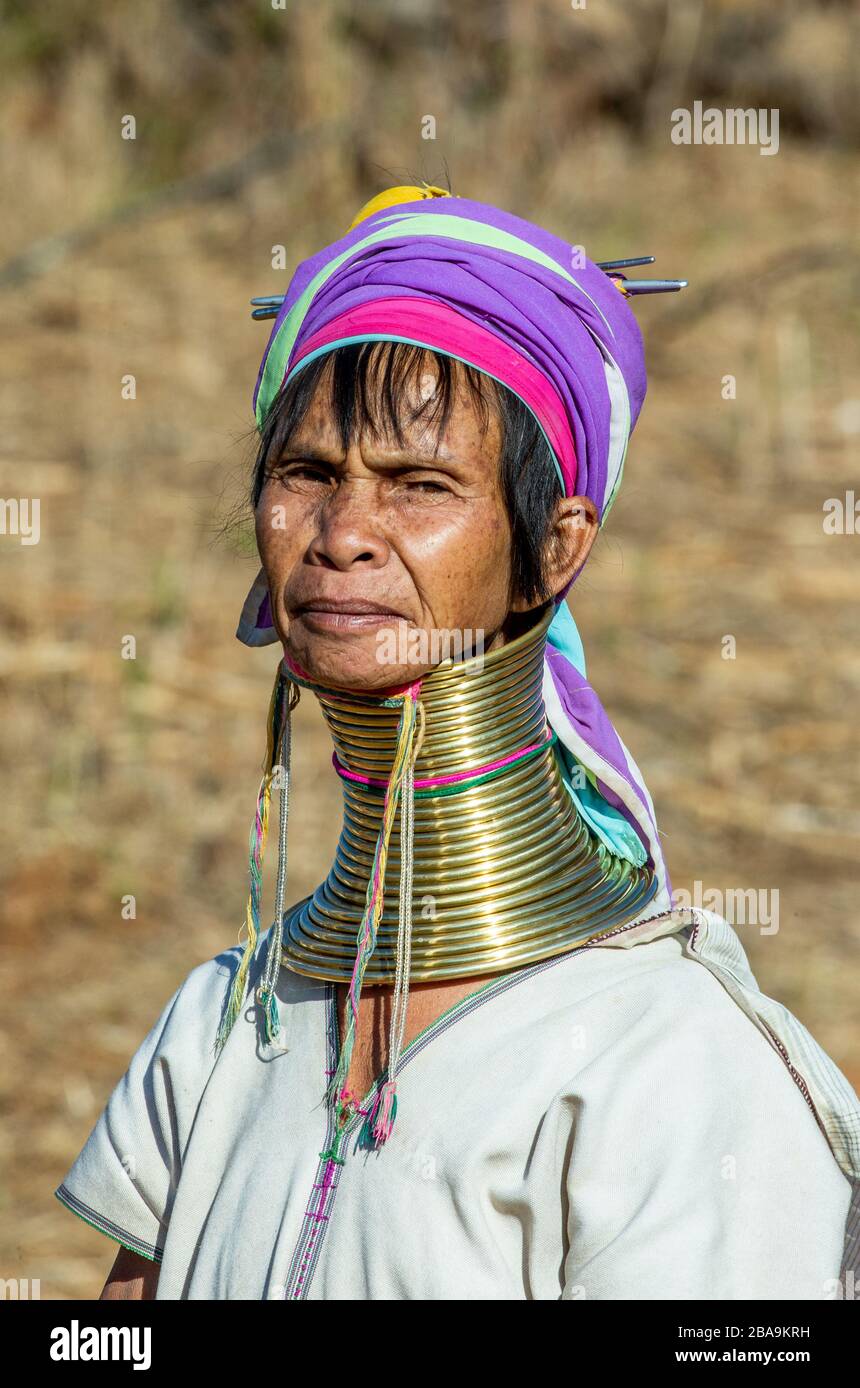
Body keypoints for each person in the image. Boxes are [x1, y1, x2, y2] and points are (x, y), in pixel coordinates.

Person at [55, 185, 859, 1300]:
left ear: (554, 548)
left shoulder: (672, 1063)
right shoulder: (231, 1021)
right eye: (307, 475)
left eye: (419, 486)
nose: (341, 537)